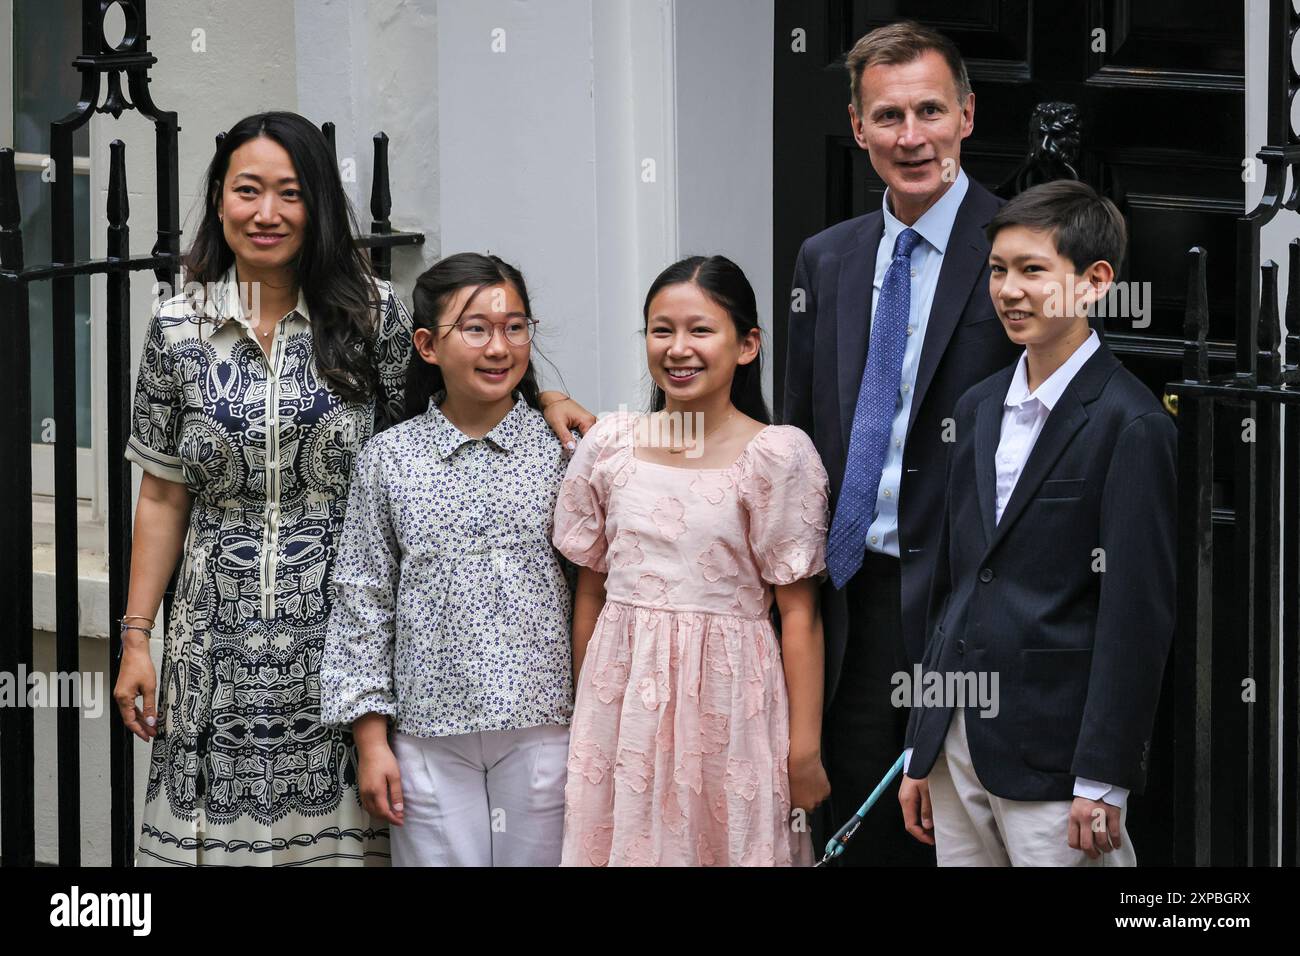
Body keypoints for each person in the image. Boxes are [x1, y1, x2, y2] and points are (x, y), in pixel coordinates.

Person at [113, 111, 592, 866]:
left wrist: (546, 401)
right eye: (248, 190)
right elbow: (164, 494)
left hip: (346, 642)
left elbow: (454, 409)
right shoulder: (176, 328)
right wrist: (138, 637)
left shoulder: (375, 316)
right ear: (220, 197)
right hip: (216, 646)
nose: (267, 213)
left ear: (319, 208)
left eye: (290, 193)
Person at [782, 20, 1019, 865]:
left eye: (929, 111)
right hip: (854, 604)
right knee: (858, 834)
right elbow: (801, 433)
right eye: (888, 117)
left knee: (956, 839)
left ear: (966, 114)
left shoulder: (1018, 250)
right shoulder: (826, 259)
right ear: (858, 128)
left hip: (969, 602)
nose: (910, 137)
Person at [898, 179, 1176, 866]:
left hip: (1057, 758)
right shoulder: (977, 405)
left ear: (1095, 282)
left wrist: (1103, 776)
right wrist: (922, 740)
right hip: (957, 745)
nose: (1009, 290)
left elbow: (1135, 614)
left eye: (1032, 270)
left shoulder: (1131, 422)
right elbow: (954, 585)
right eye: (997, 270)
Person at [556, 256, 831, 866]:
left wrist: (804, 750)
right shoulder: (611, 444)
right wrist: (590, 713)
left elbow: (800, 616)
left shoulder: (776, 456)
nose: (679, 349)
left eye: (701, 330)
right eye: (662, 330)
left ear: (748, 344)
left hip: (733, 706)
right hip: (621, 704)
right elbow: (591, 593)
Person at [321, 253, 574, 867]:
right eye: (477, 328)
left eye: (516, 327)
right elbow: (363, 599)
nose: (499, 346)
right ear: (428, 346)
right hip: (428, 733)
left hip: (543, 726)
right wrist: (371, 740)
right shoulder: (390, 458)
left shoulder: (566, 450)